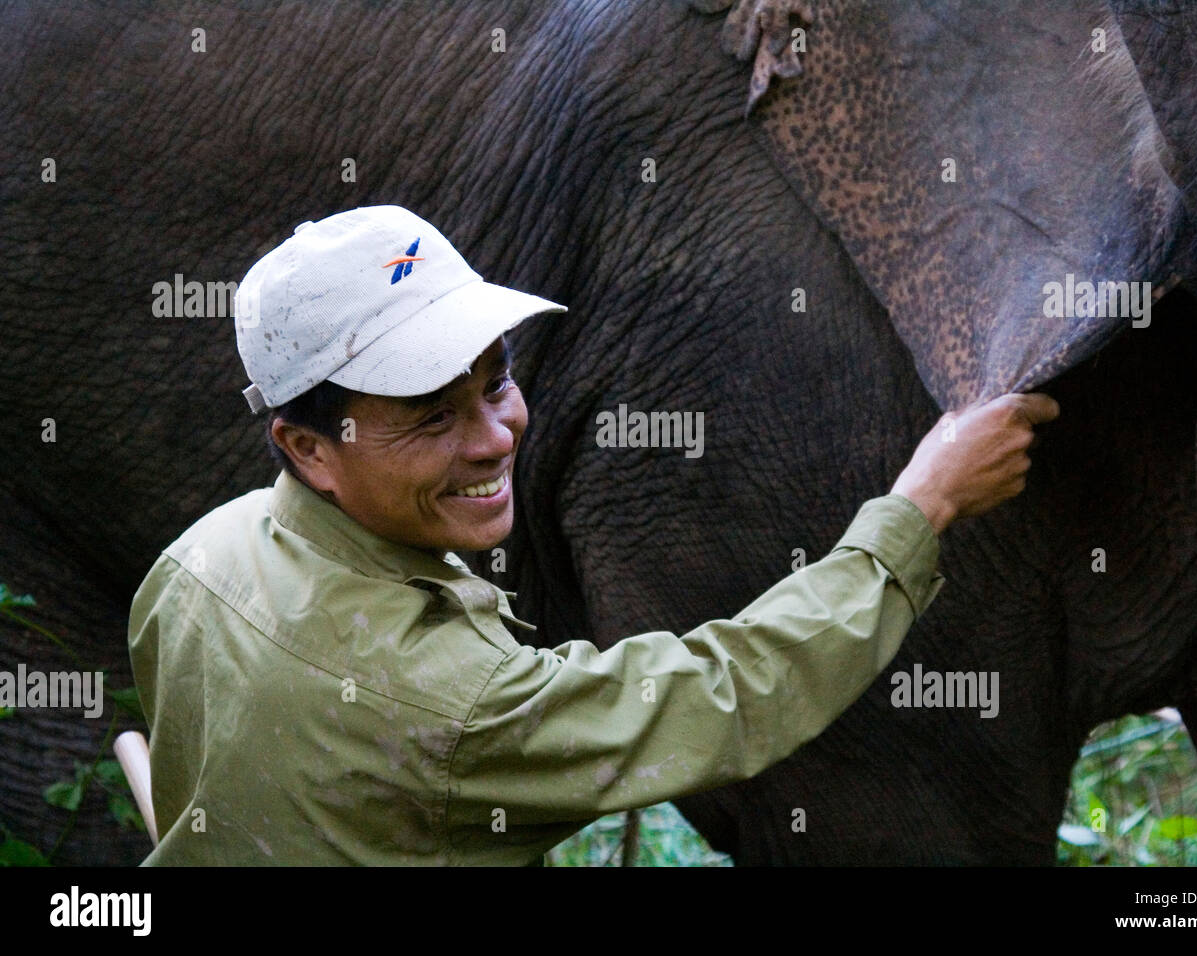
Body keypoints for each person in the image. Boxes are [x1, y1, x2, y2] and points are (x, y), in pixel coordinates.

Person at [127, 205, 1059, 865]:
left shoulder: (198, 559)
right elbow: (724, 696)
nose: (496, 437)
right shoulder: (453, 702)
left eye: (494, 383)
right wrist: (921, 508)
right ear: (309, 448)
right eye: (428, 415)